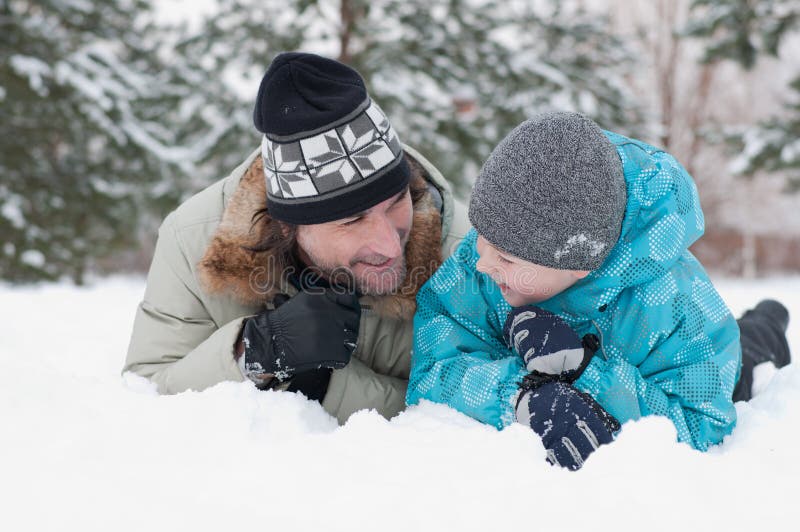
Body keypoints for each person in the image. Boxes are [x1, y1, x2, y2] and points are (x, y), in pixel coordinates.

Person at [407, 111, 791, 470]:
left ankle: (768, 322)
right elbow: (433, 366)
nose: (482, 263)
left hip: (715, 361)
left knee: (749, 349)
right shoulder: (490, 261)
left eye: (506, 257)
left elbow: (703, 426)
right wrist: (518, 395)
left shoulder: (671, 304)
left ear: (578, 265)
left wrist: (585, 373)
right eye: (481, 237)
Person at [124, 52, 469, 424]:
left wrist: (326, 384)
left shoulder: (470, 255)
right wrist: (254, 351)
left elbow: (468, 416)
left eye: (397, 201)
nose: (388, 244)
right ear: (287, 226)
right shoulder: (192, 239)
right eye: (353, 219)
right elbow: (146, 394)